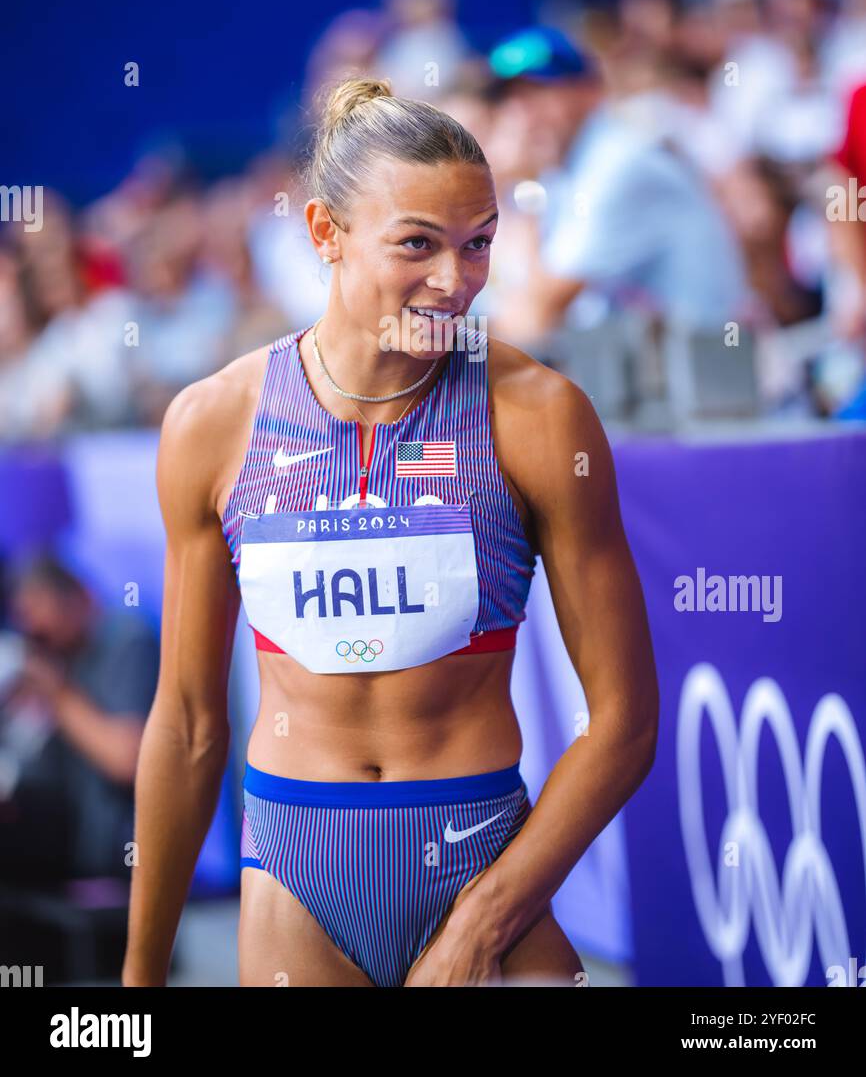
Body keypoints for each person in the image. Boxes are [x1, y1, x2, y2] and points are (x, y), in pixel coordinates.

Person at [122, 77, 658, 988]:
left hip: (484, 862)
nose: (456, 282)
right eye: (417, 244)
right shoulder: (212, 424)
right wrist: (135, 991)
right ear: (325, 232)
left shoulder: (539, 415)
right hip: (297, 881)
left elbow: (626, 722)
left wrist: (481, 926)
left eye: (479, 243)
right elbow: (185, 724)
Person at [487, 26, 752, 345]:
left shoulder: (616, 163)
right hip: (663, 371)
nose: (523, 114)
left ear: (590, 91)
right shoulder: (566, 168)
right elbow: (522, 299)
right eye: (511, 98)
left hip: (713, 371)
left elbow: (531, 320)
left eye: (538, 93)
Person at [0, 553, 159, 882]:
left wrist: (56, 693)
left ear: (77, 598)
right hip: (66, 853)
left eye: (42, 627)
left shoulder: (127, 639)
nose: (36, 637)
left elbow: (126, 758)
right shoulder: (63, 654)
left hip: (120, 859)